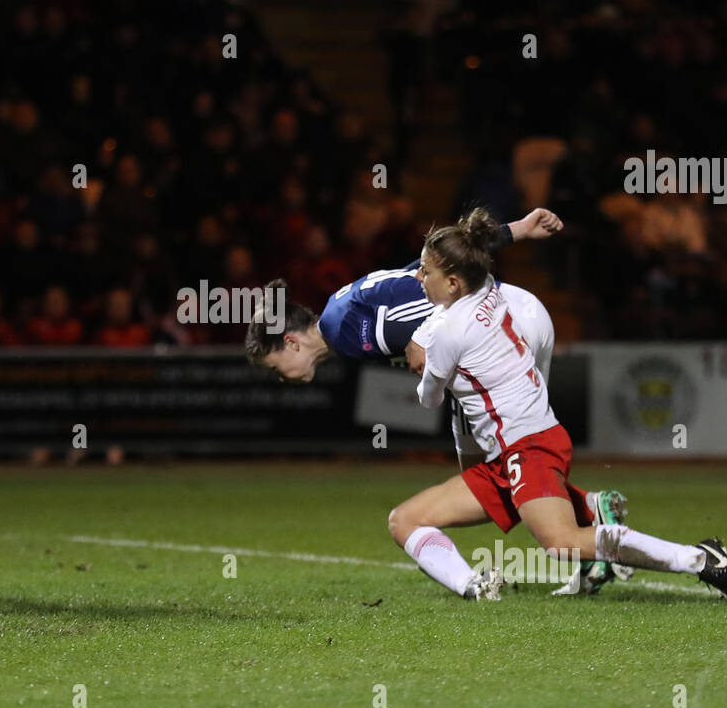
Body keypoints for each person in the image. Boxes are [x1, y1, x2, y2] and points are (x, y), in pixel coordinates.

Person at [246, 208, 630, 593]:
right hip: (520, 315)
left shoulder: (342, 330)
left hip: (502, 325)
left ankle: (585, 521)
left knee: (496, 471)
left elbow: (427, 299)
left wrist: (422, 338)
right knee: (503, 467)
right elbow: (432, 263)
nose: (280, 376)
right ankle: (590, 521)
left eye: (274, 366)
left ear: (291, 342)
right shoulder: (340, 309)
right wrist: (516, 230)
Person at [394, 208, 727, 601]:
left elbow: (429, 400)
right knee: (405, 519)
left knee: (561, 542)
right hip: (511, 453)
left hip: (526, 447)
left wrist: (424, 365)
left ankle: (699, 559)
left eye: (426, 271)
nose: (419, 278)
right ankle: (475, 585)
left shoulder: (447, 331)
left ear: (454, 282)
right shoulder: (489, 290)